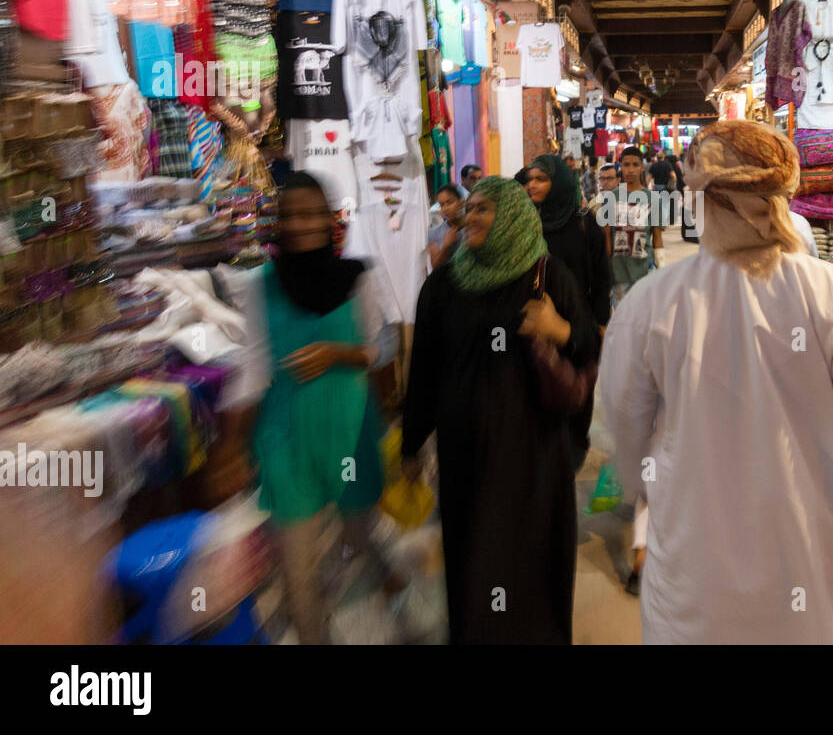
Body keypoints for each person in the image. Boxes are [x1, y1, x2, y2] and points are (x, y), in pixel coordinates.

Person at [597, 121, 833, 644]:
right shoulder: (831, 296)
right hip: (805, 562)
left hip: (693, 566)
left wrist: (646, 498)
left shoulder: (653, 303)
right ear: (781, 198)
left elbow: (625, 426)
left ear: (702, 201)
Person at [402, 177, 599, 644]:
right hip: (464, 451)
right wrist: (411, 444)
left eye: (484, 209)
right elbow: (425, 368)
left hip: (534, 451)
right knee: (475, 557)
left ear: (512, 216)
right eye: (469, 209)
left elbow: (588, 347)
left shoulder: (548, 276)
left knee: (530, 556)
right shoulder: (446, 285)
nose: (470, 217)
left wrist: (559, 329)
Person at [222, 171, 399, 645]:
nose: (298, 225)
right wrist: (236, 449)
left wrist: (335, 355)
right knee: (297, 569)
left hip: (348, 429)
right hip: (286, 438)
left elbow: (379, 349)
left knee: (360, 533)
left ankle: (393, 589)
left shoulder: (357, 278)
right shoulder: (260, 284)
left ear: (327, 218)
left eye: (308, 213)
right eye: (288, 216)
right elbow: (253, 366)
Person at [521, 153, 612, 465]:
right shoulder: (524, 222)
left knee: (578, 380)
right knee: (543, 379)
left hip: (580, 318)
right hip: (536, 316)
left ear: (558, 182)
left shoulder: (584, 224)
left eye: (540, 179)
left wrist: (601, 322)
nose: (531, 185)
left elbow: (602, 276)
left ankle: (575, 443)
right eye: (529, 179)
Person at [603, 146, 663, 305]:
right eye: (626, 165)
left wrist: (661, 265)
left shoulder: (652, 198)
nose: (630, 170)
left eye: (635, 165)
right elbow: (607, 235)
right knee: (623, 318)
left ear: (642, 167)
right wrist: (606, 266)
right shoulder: (611, 197)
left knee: (646, 316)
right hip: (619, 269)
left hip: (645, 267)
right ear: (620, 166)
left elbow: (657, 236)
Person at [427, 183, 464, 270]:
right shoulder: (434, 233)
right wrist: (446, 246)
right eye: (442, 205)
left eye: (449, 202)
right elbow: (435, 267)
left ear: (461, 203)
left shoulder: (472, 227)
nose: (446, 208)